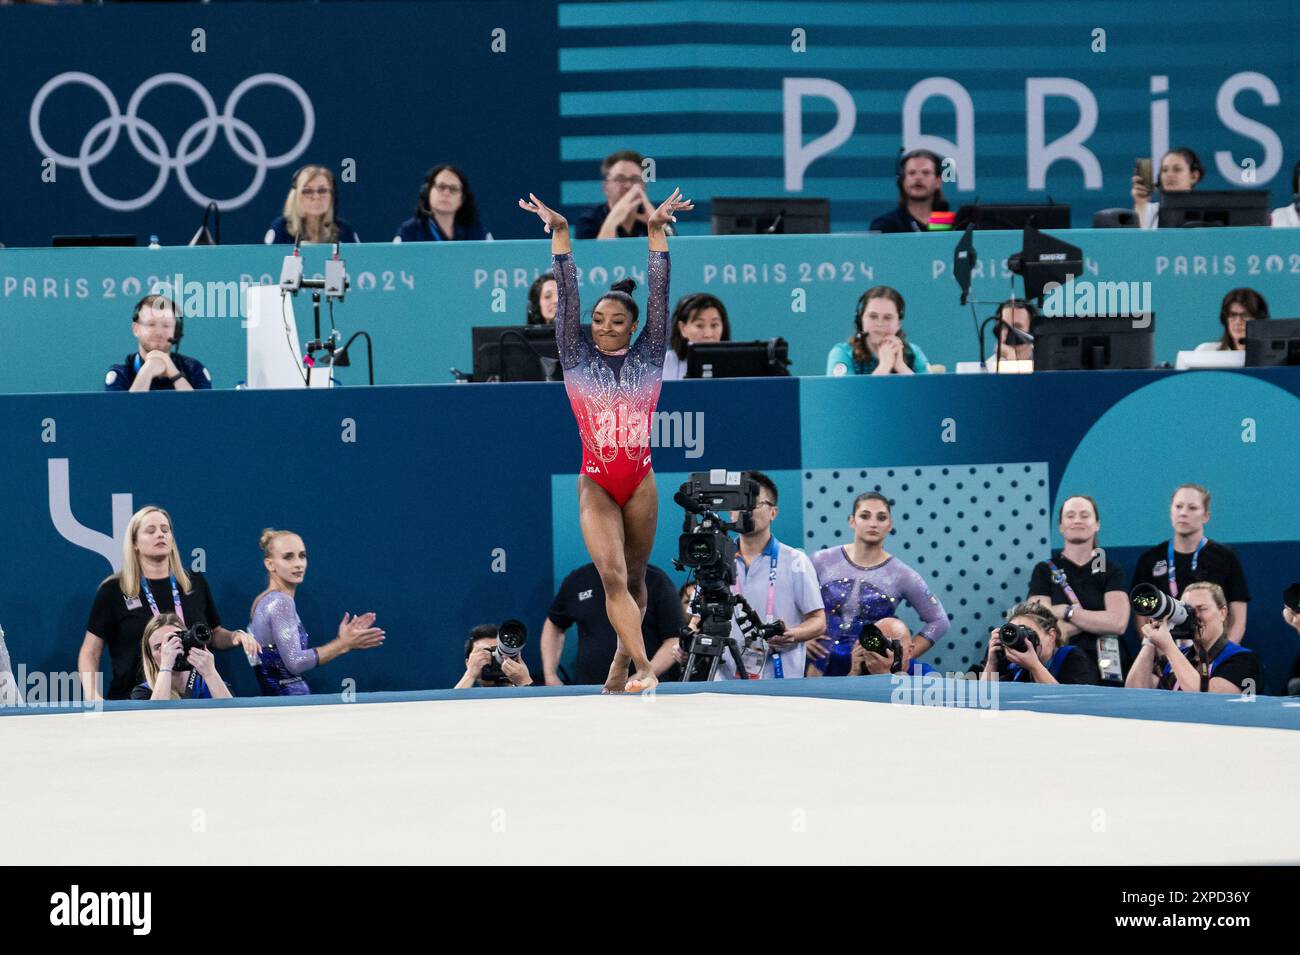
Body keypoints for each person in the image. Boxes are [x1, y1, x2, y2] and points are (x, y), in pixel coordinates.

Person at [518, 185, 692, 693]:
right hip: (596, 479)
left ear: (635, 327)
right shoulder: (574, 354)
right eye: (599, 321)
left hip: (639, 480)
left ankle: (621, 659)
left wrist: (656, 231)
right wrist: (562, 235)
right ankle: (643, 670)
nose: (605, 328)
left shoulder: (650, 352)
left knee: (637, 581)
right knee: (612, 577)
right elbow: (567, 294)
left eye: (617, 323)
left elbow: (660, 293)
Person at [78, 507, 258, 701]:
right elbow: (90, 652)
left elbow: (213, 634)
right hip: (133, 701)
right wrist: (92, 695)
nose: (160, 534)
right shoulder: (114, 590)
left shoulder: (193, 583)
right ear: (134, 543)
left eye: (165, 530)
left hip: (193, 698)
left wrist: (235, 637)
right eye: (151, 530)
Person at [675, 471, 827, 681]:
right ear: (730, 513)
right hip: (724, 683)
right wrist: (685, 644)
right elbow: (696, 620)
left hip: (781, 682)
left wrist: (794, 634)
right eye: (739, 503)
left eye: (753, 503)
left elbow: (818, 621)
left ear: (773, 512)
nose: (745, 510)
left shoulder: (795, 561)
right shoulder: (713, 560)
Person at [810, 492, 949, 676]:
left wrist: (901, 657)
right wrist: (801, 638)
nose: (873, 523)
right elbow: (788, 601)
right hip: (817, 664)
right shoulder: (821, 560)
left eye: (881, 517)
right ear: (852, 521)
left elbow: (939, 621)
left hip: (869, 669)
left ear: (890, 525)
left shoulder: (901, 574)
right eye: (865, 516)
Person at [248, 529, 385, 696]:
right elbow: (295, 662)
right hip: (290, 707)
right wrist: (342, 644)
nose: (298, 563)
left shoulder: (264, 601)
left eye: (302, 555)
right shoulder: (280, 602)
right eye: (288, 557)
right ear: (270, 564)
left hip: (286, 705)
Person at [1027, 495, 1130, 682]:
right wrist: (1097, 620)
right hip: (1060, 664)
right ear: (1060, 525)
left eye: (1084, 515)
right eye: (1070, 515)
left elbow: (1117, 623)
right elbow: (1038, 627)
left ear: (1097, 524)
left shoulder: (1111, 569)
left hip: (1108, 666)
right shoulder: (1043, 570)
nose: (1077, 520)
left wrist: (1066, 612)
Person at [1130, 484, 1250, 643]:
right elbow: (1142, 618)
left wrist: (1222, 659)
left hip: (1214, 654)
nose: (1183, 513)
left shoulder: (1225, 557)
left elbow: (1238, 621)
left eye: (1192, 508)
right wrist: (1163, 656)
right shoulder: (1150, 559)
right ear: (1170, 511)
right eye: (1178, 506)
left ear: (1206, 516)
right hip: (1164, 652)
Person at [541, 563, 682, 686]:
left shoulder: (655, 580)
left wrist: (644, 673)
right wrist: (550, 675)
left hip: (642, 690)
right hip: (589, 691)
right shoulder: (578, 580)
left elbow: (673, 639)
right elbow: (554, 624)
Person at [1126, 583, 1260, 693]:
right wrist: (1150, 641)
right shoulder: (1179, 656)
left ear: (1222, 613)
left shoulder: (1243, 660)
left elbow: (1208, 698)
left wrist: (1168, 646)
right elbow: (1134, 692)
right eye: (1187, 610)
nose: (1194, 616)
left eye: (1202, 609)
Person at [105, 294, 211, 392]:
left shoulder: (193, 370)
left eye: (166, 325)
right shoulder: (120, 375)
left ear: (176, 331)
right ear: (136, 329)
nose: (159, 332)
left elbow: (200, 409)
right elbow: (125, 411)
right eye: (151, 324)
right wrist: (147, 371)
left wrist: (173, 372)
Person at [981, 602, 1097, 685]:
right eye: (1017, 634)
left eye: (1026, 632)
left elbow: (1067, 705)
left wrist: (1035, 666)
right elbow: (984, 703)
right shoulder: (1015, 667)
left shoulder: (1072, 658)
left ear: (1051, 636)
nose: (1022, 640)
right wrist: (992, 663)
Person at [825, 286, 931, 376]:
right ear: (861, 319)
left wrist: (901, 367)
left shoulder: (913, 353)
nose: (880, 324)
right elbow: (844, 397)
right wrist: (884, 366)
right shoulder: (843, 353)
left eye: (888, 317)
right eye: (873, 316)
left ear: (898, 323)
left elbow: (930, 396)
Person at [132, 613, 233, 701]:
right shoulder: (144, 692)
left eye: (175, 640)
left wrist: (210, 673)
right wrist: (166, 667)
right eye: (159, 647)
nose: (169, 649)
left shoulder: (209, 684)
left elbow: (233, 717)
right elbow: (156, 719)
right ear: (150, 657)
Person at [264, 165, 360, 245]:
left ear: (332, 196)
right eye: (307, 191)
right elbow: (268, 264)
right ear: (295, 197)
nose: (316, 197)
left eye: (322, 191)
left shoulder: (344, 230)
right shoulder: (281, 228)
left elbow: (359, 264)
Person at [573, 150, 656, 240]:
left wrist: (658, 225)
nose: (628, 185)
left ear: (644, 186)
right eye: (620, 179)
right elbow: (596, 253)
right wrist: (614, 220)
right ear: (606, 187)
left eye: (635, 179)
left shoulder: (651, 216)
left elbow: (671, 251)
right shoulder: (588, 221)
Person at [394, 164, 488, 242]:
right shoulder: (409, 232)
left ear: (462, 199)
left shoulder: (476, 231)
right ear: (428, 192)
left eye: (453, 189)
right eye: (441, 187)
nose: (446, 193)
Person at [869, 148, 948, 233]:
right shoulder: (885, 225)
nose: (918, 178)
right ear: (902, 181)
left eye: (926, 173)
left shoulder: (949, 224)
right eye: (912, 173)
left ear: (938, 182)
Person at [663, 293, 731, 381]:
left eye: (714, 325)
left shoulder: (737, 364)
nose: (708, 334)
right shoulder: (660, 365)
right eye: (700, 325)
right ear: (683, 328)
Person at [1131, 147, 1203, 230]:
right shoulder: (1151, 210)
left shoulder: (1205, 212)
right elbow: (1137, 239)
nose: (1169, 175)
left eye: (1177, 169)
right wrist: (1140, 203)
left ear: (1194, 176)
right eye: (1164, 170)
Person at [847, 616, 941, 677]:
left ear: (910, 651)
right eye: (877, 641)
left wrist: (885, 676)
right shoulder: (863, 668)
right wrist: (853, 673)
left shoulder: (924, 675)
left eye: (890, 643)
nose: (882, 649)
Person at [455, 625, 534, 688]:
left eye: (498, 652)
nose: (493, 658)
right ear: (468, 663)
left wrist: (524, 681)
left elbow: (538, 707)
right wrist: (470, 675)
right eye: (484, 653)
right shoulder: (468, 700)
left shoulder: (524, 689)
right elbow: (452, 707)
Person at [1194, 288, 1269, 352]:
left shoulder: (1275, 357)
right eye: (1232, 315)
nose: (1238, 321)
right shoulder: (1206, 352)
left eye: (1245, 315)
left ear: (1260, 319)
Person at [985, 299, 1035, 367]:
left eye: (1017, 326)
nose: (1009, 333)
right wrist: (1010, 356)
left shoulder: (1048, 363)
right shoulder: (989, 369)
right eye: (1003, 327)